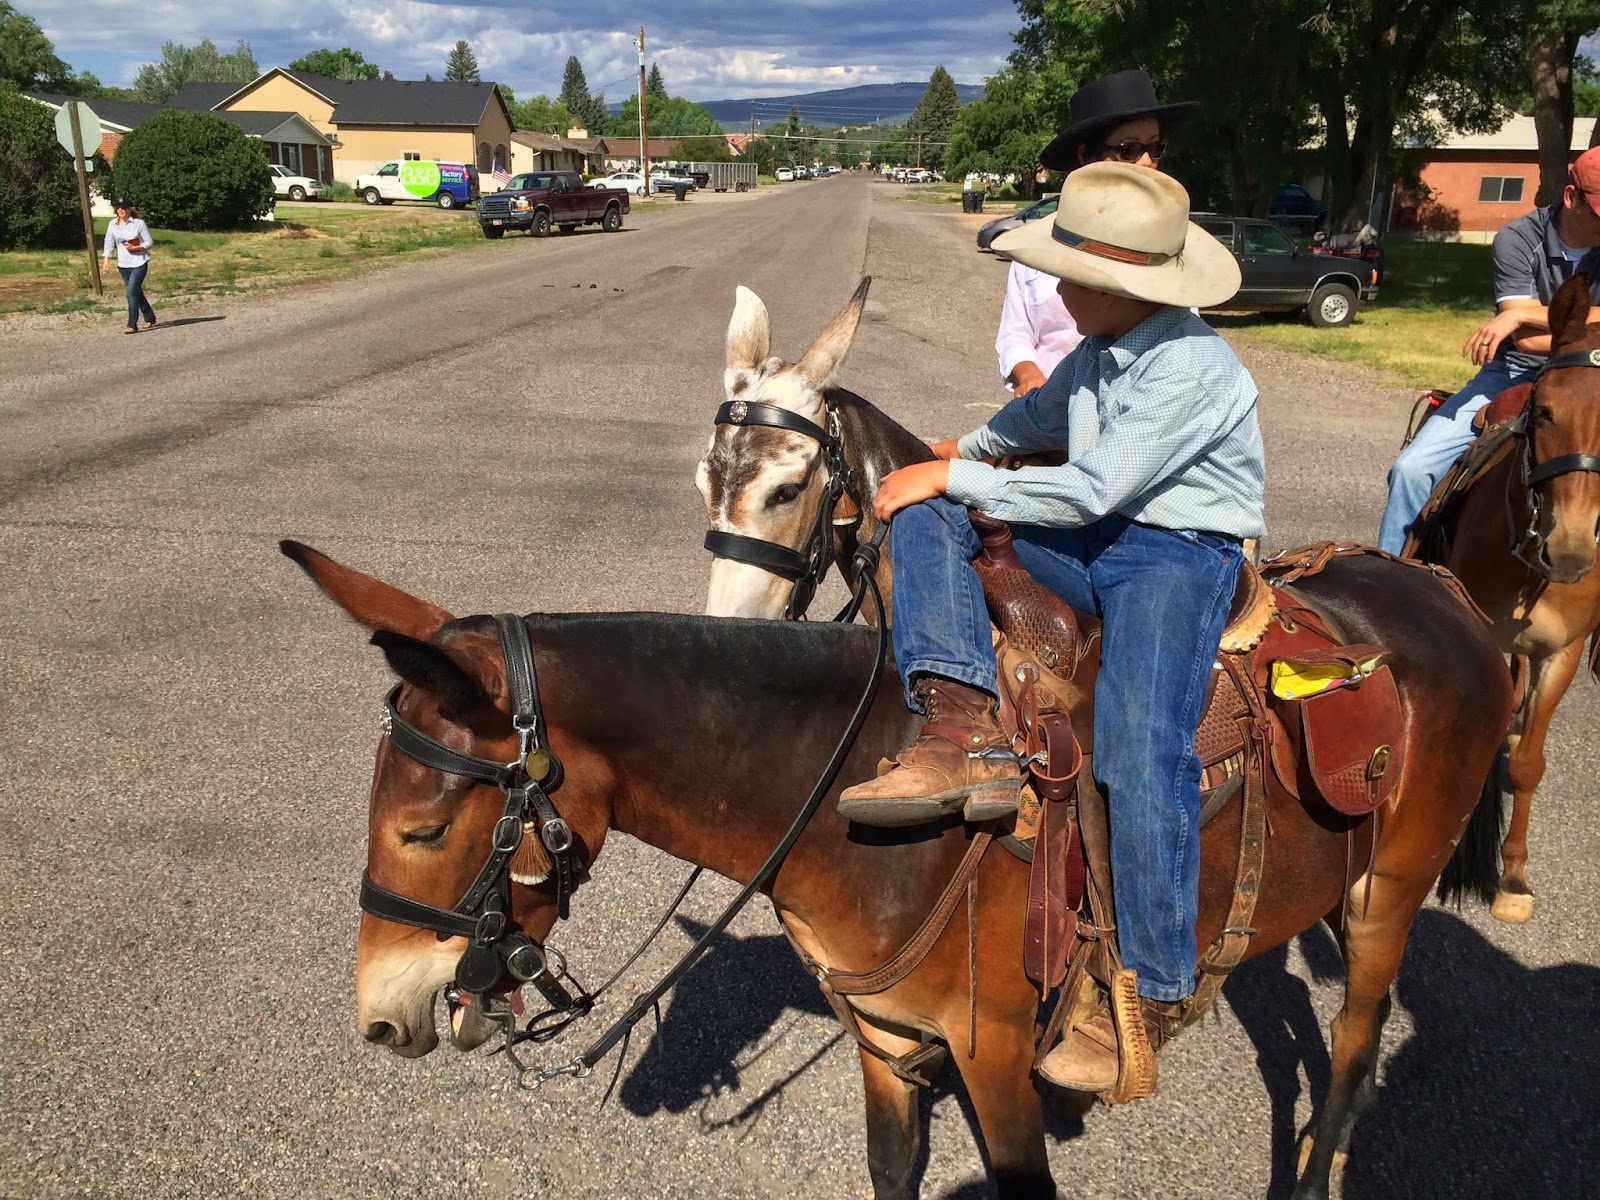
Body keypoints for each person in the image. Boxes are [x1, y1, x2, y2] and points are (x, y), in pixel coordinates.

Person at [837, 162, 1262, 1093]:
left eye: (1073, 276)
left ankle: (1153, 979)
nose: (1057, 289)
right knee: (932, 514)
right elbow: (1033, 416)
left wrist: (954, 478)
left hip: (1175, 552)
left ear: (1126, 287)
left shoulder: (1193, 366)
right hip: (1098, 534)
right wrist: (958, 454)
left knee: (1141, 748)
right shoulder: (1102, 350)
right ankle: (962, 725)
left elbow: (1093, 485)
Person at [1378, 147, 1600, 553]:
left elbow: (1525, 327)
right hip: (1516, 370)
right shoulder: (1518, 239)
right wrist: (1530, 325)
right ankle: (1390, 580)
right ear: (1572, 197)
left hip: (1592, 373)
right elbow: (1530, 343)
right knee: (1412, 470)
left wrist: (1519, 315)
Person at [997, 70, 1198, 397]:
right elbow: (1014, 333)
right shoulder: (1039, 246)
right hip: (1041, 419)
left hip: (1134, 423)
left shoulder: (1166, 245)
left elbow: (1179, 344)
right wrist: (1028, 374)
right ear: (1084, 154)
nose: (1146, 162)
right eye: (1129, 148)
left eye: (1155, 147)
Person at [101, 199, 156, 334]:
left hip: (139, 262)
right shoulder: (112, 224)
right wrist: (106, 260)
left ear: (129, 210)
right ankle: (149, 317)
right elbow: (109, 242)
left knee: (131, 293)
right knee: (136, 292)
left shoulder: (138, 224)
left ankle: (132, 324)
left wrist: (136, 247)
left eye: (124, 207)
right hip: (123, 264)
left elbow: (149, 242)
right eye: (118, 207)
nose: (121, 210)